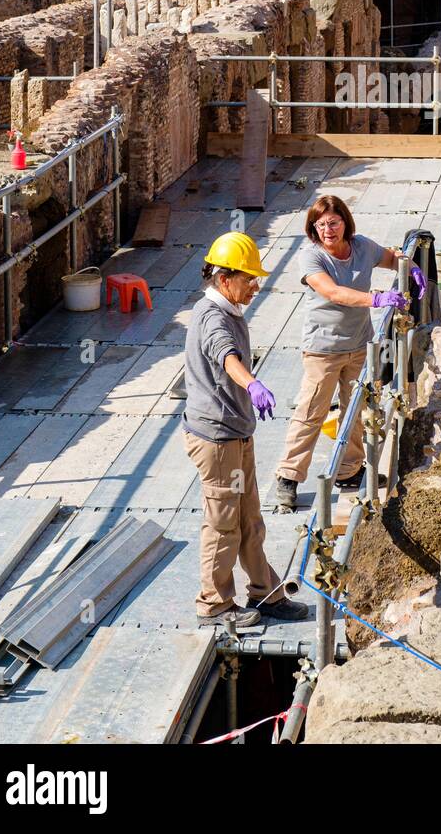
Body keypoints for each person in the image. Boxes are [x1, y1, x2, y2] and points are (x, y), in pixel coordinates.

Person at [182, 233, 308, 627]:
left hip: (236, 432)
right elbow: (226, 355)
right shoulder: (212, 318)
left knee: (249, 518)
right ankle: (214, 604)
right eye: (249, 279)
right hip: (217, 439)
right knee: (223, 523)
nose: (256, 286)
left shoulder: (230, 310)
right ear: (224, 279)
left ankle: (264, 593)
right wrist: (251, 383)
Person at [274, 196, 425, 511]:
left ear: (345, 222)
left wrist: (410, 267)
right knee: (311, 411)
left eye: (333, 222)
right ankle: (288, 477)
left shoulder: (361, 247)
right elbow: (333, 292)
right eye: (321, 225)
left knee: (356, 409)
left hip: (358, 345)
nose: (328, 230)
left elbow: (389, 256)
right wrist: (377, 299)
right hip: (324, 349)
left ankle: (349, 471)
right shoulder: (311, 258)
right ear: (313, 229)